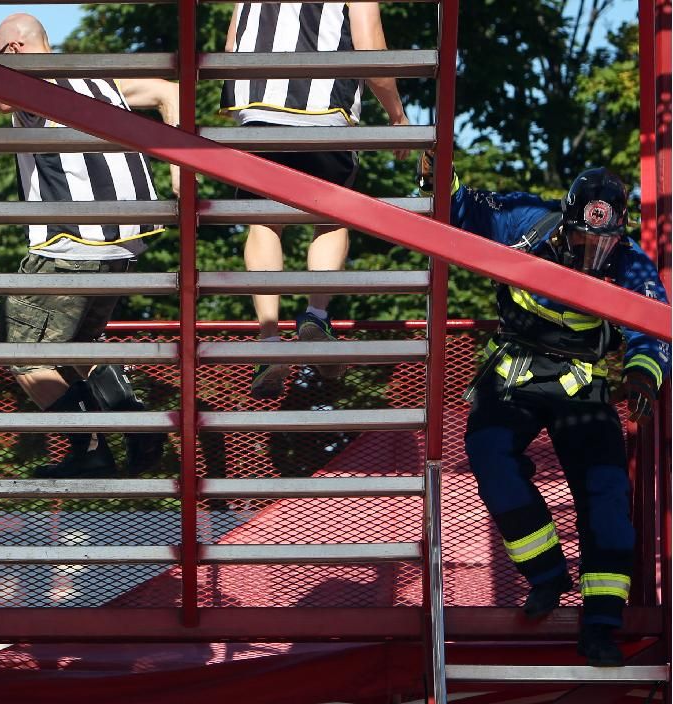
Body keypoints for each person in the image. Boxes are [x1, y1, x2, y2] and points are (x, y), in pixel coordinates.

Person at [419, 153, 670, 665]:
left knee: (607, 496)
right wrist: (439, 173)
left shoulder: (630, 260)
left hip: (584, 383)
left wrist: (644, 373)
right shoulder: (525, 221)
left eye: (604, 243)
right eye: (583, 240)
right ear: (566, 223)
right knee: (489, 455)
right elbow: (462, 208)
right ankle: (547, 574)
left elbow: (655, 325)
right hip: (517, 368)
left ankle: (601, 622)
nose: (593, 252)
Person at [0, 15, 178, 478]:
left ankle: (90, 447)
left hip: (71, 243)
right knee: (76, 350)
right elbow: (169, 91)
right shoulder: (97, 78)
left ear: (12, 51)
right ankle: (139, 426)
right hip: (124, 247)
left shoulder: (34, 77)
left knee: (21, 355)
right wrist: (179, 172)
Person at [220, 2, 411, 398]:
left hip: (255, 108)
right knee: (332, 218)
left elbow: (231, 44)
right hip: (323, 108)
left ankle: (270, 342)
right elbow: (370, 47)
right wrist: (397, 115)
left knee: (262, 220)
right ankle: (316, 315)